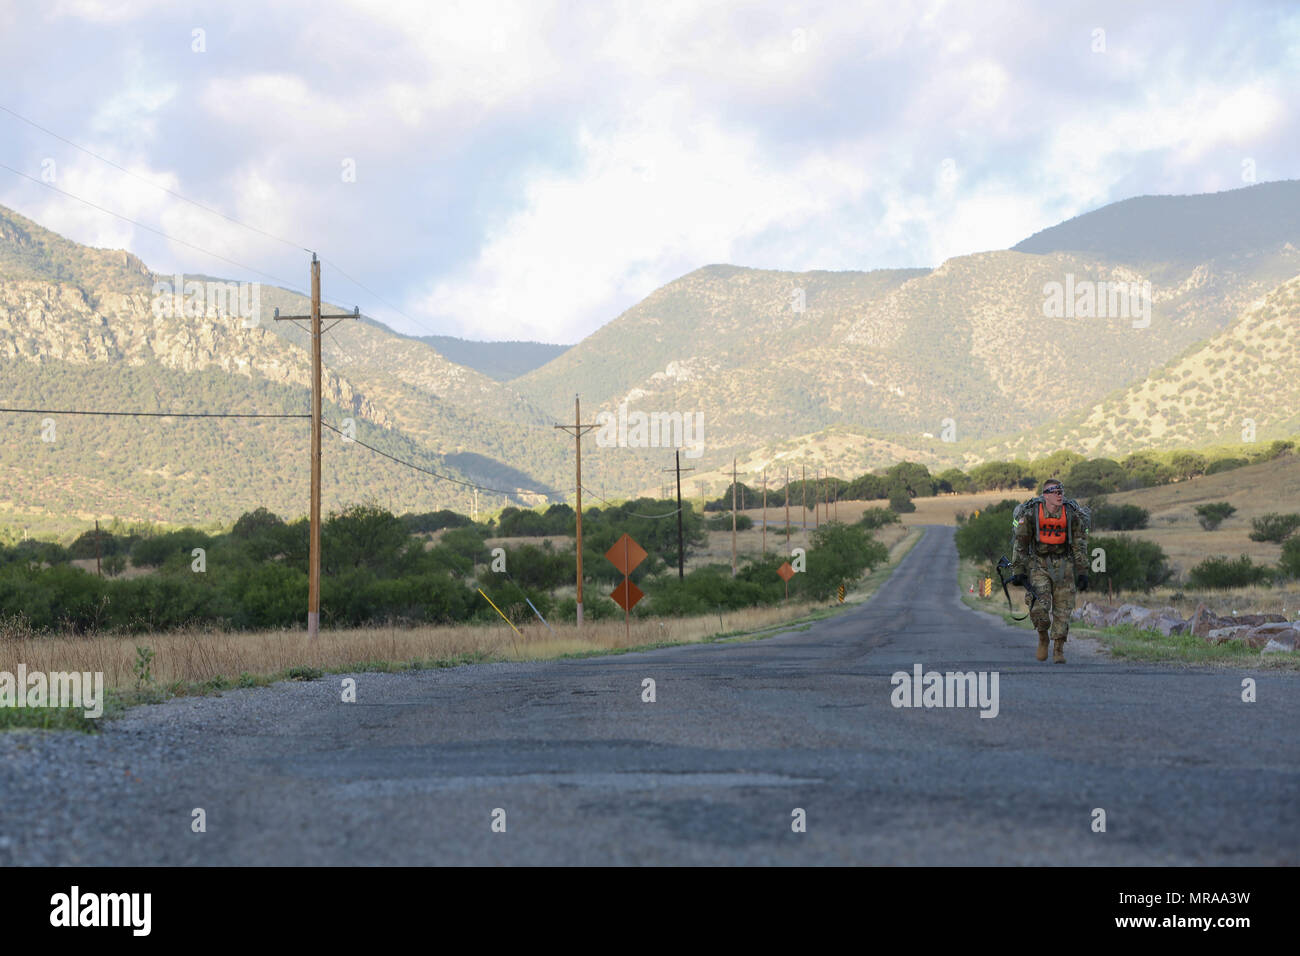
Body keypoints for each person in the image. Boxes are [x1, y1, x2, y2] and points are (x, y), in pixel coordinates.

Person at [1007, 478, 1090, 663]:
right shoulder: (1031, 514)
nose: (1059, 495)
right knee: (1039, 607)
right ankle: (1043, 637)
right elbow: (1021, 544)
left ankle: (1058, 650)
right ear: (1045, 495)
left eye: (1061, 491)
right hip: (1038, 564)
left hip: (1064, 565)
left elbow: (1079, 544)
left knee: (1063, 609)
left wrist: (1083, 571)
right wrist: (1018, 570)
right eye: (1055, 492)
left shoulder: (1070, 515)